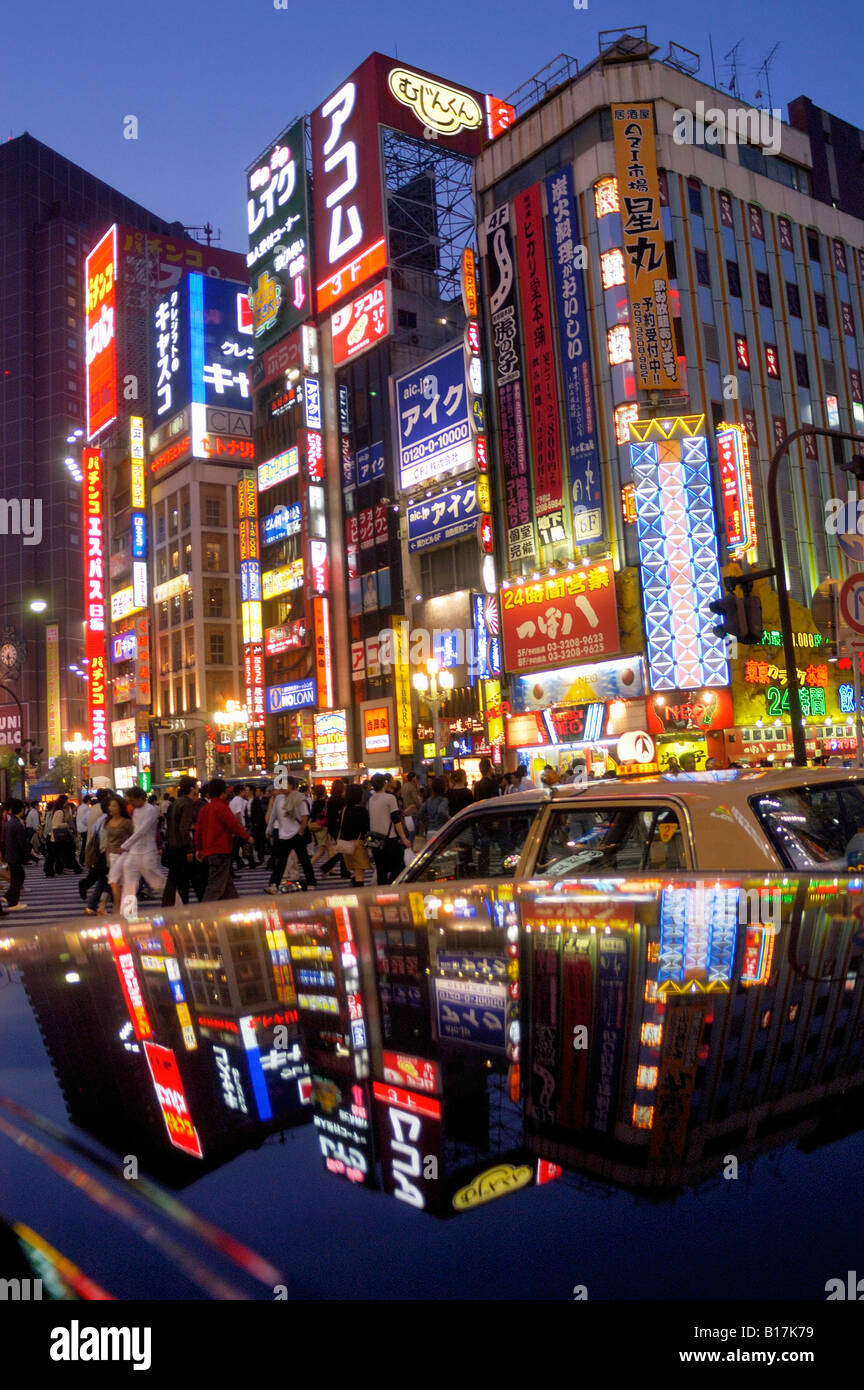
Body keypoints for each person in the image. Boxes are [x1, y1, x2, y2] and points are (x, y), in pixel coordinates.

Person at [108, 786, 165, 912]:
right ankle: (128, 914)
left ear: (140, 798)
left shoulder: (151, 810)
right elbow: (136, 831)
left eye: (132, 800)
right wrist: (128, 847)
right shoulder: (136, 810)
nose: (130, 803)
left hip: (147, 852)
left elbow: (142, 831)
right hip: (134, 852)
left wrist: (125, 846)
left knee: (157, 883)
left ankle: (176, 905)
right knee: (129, 885)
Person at [195, 779, 252, 901]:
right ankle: (205, 911)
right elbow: (234, 825)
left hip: (208, 850)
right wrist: (247, 837)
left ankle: (234, 905)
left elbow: (198, 830)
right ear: (222, 792)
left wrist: (199, 848)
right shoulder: (222, 807)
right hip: (221, 850)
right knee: (215, 885)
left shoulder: (205, 809)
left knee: (225, 883)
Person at [266, 776, 316, 891]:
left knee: (304, 860)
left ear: (291, 786)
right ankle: (274, 884)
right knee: (281, 862)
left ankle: (311, 883)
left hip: (296, 834)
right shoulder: (278, 799)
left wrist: (301, 831)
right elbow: (274, 815)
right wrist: (269, 830)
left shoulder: (299, 798)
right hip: (283, 835)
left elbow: (305, 816)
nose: (282, 787)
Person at [86, 796, 130, 914]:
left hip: (124, 856)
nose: (111, 808)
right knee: (113, 883)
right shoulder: (106, 821)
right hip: (111, 856)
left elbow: (133, 838)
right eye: (110, 805)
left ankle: (109, 906)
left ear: (120, 807)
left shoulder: (126, 822)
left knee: (117, 883)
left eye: (114, 805)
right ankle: (113, 908)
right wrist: (107, 857)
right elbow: (107, 841)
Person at [161, 776, 199, 906]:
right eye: (196, 786)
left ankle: (167, 905)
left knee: (173, 879)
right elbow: (184, 828)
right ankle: (184, 906)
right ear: (192, 788)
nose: (198, 788)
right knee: (184, 881)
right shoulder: (187, 803)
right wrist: (189, 849)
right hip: (181, 847)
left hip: (172, 846)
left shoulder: (176, 803)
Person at [367, 773, 410, 884]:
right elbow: (396, 819)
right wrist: (404, 838)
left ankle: (383, 895)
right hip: (389, 838)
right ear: (384, 783)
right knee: (399, 867)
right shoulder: (389, 798)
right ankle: (394, 891)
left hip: (374, 838)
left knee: (381, 871)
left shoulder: (371, 800)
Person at [334, 783, 372, 886]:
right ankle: (359, 896)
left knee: (355, 872)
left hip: (346, 844)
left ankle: (354, 890)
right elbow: (366, 829)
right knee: (360, 873)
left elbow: (341, 826)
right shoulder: (362, 811)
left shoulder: (344, 809)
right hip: (358, 844)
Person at [2, 800, 29, 910]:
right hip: (16, 855)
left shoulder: (9, 823)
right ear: (21, 810)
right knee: (17, 877)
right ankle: (12, 902)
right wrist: (25, 855)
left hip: (10, 854)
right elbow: (21, 842)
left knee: (17, 876)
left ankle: (9, 897)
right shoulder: (17, 824)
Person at [44, 794, 80, 876]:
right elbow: (56, 825)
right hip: (58, 837)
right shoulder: (60, 812)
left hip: (54, 837)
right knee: (57, 855)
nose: (68, 802)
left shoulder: (57, 811)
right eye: (67, 801)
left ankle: (53, 870)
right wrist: (66, 824)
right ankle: (52, 871)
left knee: (55, 855)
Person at [248, 786, 268, 866]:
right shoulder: (252, 800)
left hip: (260, 824)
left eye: (258, 791)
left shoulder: (260, 800)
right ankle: (259, 858)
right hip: (255, 824)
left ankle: (261, 857)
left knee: (261, 842)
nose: (257, 793)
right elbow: (251, 812)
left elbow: (261, 811)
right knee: (257, 842)